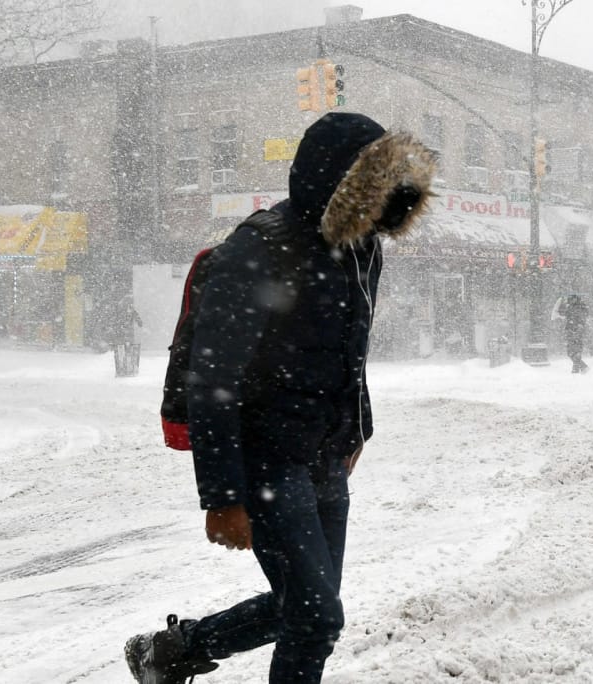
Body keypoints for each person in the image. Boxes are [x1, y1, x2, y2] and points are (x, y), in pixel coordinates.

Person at [124, 112, 437, 684]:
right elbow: (212, 380)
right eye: (373, 182)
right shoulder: (259, 246)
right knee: (316, 618)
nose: (385, 196)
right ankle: (172, 652)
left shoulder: (365, 248)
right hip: (267, 456)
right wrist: (222, 497)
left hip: (325, 455)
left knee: (303, 609)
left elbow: (349, 348)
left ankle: (171, 651)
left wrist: (356, 427)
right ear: (336, 180)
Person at [559, 293, 590, 373]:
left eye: (573, 299)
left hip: (576, 331)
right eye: (570, 299)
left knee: (575, 351)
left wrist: (578, 329)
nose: (571, 300)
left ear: (576, 299)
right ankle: (581, 367)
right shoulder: (570, 307)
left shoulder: (579, 308)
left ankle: (577, 369)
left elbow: (581, 320)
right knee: (572, 352)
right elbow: (563, 313)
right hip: (571, 331)